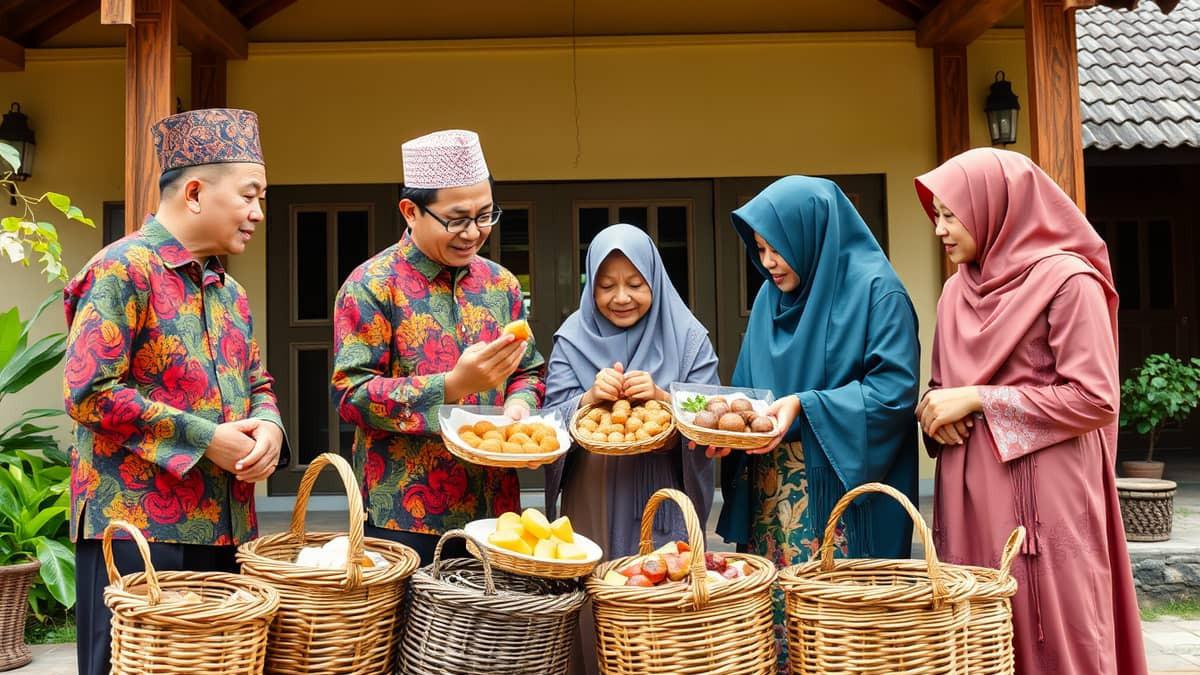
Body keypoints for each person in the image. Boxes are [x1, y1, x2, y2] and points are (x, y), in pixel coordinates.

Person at [64, 108, 287, 675]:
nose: (259, 213)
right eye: (250, 196)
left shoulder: (230, 292)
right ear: (193, 192)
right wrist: (206, 438)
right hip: (137, 530)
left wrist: (269, 427)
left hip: (226, 527)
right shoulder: (122, 269)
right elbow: (88, 391)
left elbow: (258, 383)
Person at [914, 147, 1147, 675]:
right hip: (968, 494)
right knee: (977, 635)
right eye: (937, 217)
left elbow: (1095, 397)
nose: (940, 230)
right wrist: (933, 413)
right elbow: (941, 387)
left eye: (951, 215)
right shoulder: (955, 292)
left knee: (1055, 631)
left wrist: (978, 398)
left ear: (994, 207)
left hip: (1044, 501)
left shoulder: (1069, 282)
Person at [712, 176, 920, 670]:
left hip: (840, 502)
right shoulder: (770, 299)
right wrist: (728, 436)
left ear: (811, 233)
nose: (767, 262)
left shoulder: (877, 291)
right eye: (759, 249)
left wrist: (806, 405)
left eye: (776, 248)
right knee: (775, 631)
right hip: (771, 498)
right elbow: (749, 392)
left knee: (839, 638)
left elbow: (894, 394)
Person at [331, 129, 545, 565]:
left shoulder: (500, 284)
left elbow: (529, 370)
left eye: (486, 215)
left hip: (495, 511)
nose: (474, 233)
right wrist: (450, 386)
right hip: (405, 514)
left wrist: (519, 408)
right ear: (410, 211)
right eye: (457, 219)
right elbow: (350, 395)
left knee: (493, 633)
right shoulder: (372, 285)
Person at [544, 223, 718, 557]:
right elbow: (548, 421)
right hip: (592, 493)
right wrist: (588, 400)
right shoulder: (571, 338)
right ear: (591, 288)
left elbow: (712, 420)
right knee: (594, 589)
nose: (621, 297)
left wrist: (664, 399)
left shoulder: (689, 339)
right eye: (606, 286)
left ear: (655, 280)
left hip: (663, 494)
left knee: (662, 591)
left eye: (636, 284)